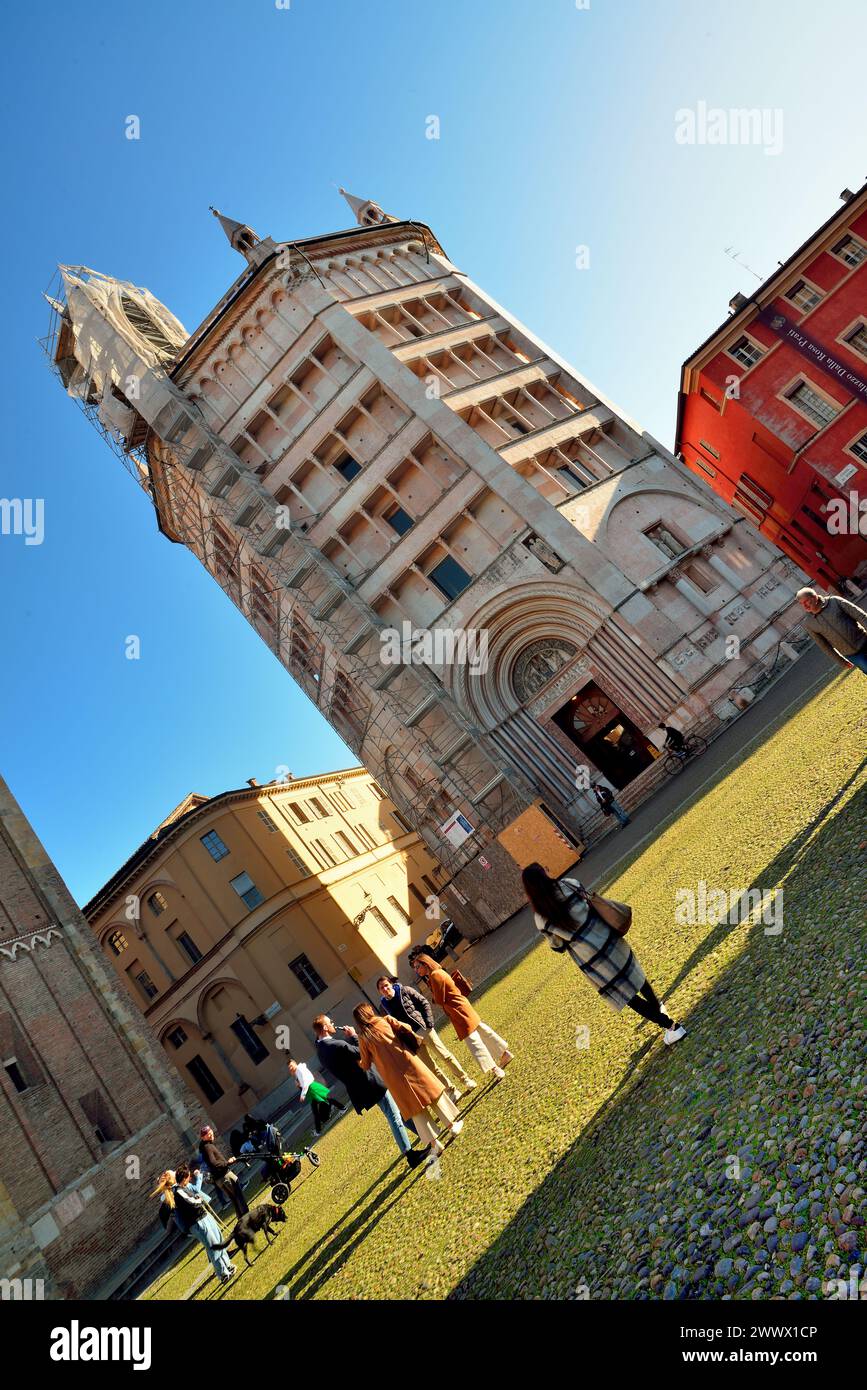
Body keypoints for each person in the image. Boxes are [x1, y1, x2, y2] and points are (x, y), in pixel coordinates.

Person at [521, 862, 686, 1045]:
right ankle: (661, 1012)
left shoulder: (541, 919)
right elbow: (592, 906)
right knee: (637, 976)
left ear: (530, 891)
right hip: (609, 939)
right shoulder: (570, 884)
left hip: (593, 960)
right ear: (545, 873)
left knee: (628, 996)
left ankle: (671, 1026)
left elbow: (558, 947)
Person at [312, 1013, 430, 1169]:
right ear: (325, 1028)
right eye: (330, 1022)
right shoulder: (336, 1044)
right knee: (394, 1116)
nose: (334, 1024)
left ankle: (426, 1136)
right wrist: (354, 1036)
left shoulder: (320, 1050)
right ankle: (410, 1155)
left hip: (360, 1088)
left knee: (399, 1112)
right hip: (370, 1084)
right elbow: (361, 1052)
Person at [352, 1003, 463, 1158]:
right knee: (432, 1094)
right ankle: (451, 1125)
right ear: (369, 1011)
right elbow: (407, 1029)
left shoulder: (364, 1038)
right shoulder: (386, 1020)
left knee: (415, 1110)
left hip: (393, 1077)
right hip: (409, 1063)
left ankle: (434, 1143)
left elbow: (365, 1063)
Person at [409, 950, 513, 1081]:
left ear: (426, 964)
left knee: (473, 1040)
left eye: (418, 966)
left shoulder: (435, 975)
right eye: (415, 968)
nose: (417, 970)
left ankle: (494, 1068)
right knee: (481, 1029)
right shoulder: (438, 972)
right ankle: (504, 1054)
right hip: (462, 1005)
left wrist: (434, 998)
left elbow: (440, 999)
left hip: (457, 1010)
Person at [377, 974, 474, 1100]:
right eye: (381, 988)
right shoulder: (383, 1006)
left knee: (445, 1056)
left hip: (424, 1029)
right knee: (431, 1068)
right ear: (379, 991)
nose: (385, 989)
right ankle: (452, 1091)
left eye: (386, 985)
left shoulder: (404, 990)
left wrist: (428, 1023)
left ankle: (465, 1080)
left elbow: (423, 1002)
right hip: (411, 1038)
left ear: (391, 984)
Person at [151, 1165, 236, 1283]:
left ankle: (227, 1266)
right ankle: (222, 1274)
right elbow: (191, 1202)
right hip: (198, 1222)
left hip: (203, 1217)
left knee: (218, 1239)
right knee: (213, 1247)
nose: (177, 1173)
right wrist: (199, 1200)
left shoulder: (180, 1187)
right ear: (172, 1178)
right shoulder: (176, 1191)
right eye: (174, 1173)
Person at [796, 587, 867, 672]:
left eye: (806, 601)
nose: (805, 606)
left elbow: (861, 616)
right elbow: (824, 646)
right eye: (801, 604)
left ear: (815, 597)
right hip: (852, 655)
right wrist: (840, 661)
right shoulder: (808, 623)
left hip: (864, 640)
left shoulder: (835, 601)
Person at [198, 1124, 249, 1218]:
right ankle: (248, 1217)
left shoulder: (205, 1146)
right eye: (207, 1134)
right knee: (239, 1196)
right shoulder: (207, 1147)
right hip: (225, 1175)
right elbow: (214, 1163)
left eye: (210, 1132)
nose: (210, 1134)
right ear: (203, 1137)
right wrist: (227, 1163)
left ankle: (241, 1218)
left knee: (234, 1199)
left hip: (219, 1179)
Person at [287, 1056, 346, 1133]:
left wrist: (302, 1095)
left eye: (291, 1065)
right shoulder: (297, 1071)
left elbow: (306, 1082)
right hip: (311, 1089)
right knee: (320, 1106)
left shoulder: (299, 1069)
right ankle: (319, 1129)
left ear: (294, 1063)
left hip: (312, 1088)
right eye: (289, 1068)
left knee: (326, 1101)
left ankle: (341, 1108)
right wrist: (299, 1085)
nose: (291, 1068)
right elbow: (304, 1082)